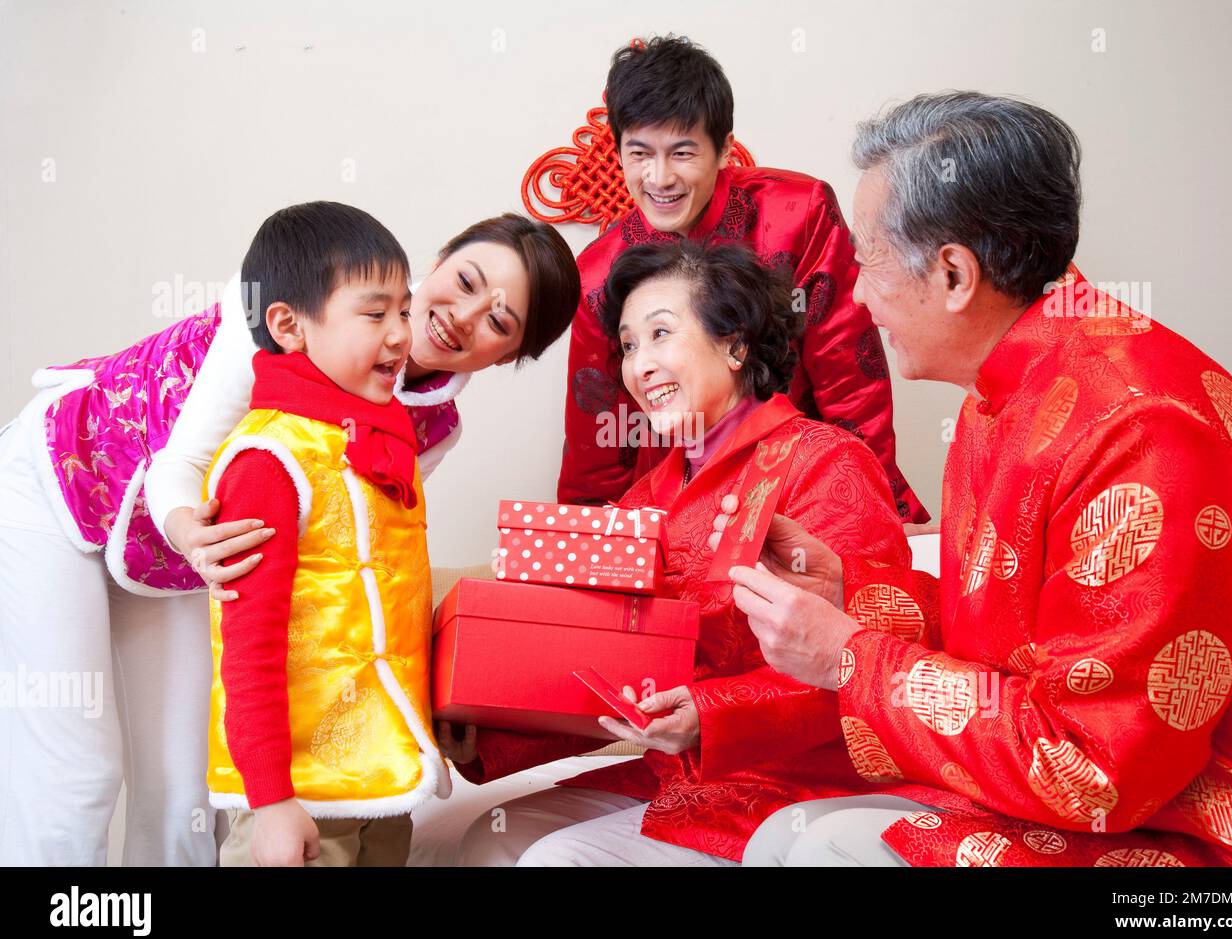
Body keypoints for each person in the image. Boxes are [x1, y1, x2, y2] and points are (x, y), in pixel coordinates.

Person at [723, 92, 1232, 866]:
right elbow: (1019, 644)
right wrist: (845, 595)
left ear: (955, 273)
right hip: (1130, 805)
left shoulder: (1139, 428)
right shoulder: (1007, 391)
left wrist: (848, 657)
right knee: (783, 834)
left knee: (830, 851)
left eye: (869, 263)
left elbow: (1095, 771)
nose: (857, 296)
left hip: (1218, 845)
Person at [0, 208, 578, 866]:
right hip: (65, 485)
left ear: (509, 356)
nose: (464, 316)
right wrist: (192, 534)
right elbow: (183, 465)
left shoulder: (430, 429)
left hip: (190, 558)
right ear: (442, 256)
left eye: (499, 323)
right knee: (75, 779)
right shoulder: (296, 305)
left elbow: (369, 568)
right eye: (467, 280)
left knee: (183, 791)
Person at [447, 241, 936, 866]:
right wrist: (482, 734)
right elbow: (600, 663)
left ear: (735, 345)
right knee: (493, 841)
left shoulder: (826, 462)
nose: (640, 365)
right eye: (628, 346)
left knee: (555, 861)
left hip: (796, 785)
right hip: (674, 774)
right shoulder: (645, 496)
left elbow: (870, 659)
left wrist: (712, 713)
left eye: (660, 335)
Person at [558, 35, 926, 523]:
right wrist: (587, 548)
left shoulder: (799, 214)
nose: (659, 177)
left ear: (724, 148)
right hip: (676, 494)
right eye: (640, 153)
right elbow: (598, 435)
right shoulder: (596, 276)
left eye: (682, 153)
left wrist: (863, 504)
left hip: (802, 481)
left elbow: (852, 379)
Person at [207, 201, 452, 866]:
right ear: (288, 325)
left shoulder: (370, 441)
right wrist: (270, 802)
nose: (402, 335)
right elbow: (248, 646)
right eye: (376, 314)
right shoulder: (271, 461)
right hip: (300, 797)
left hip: (380, 784)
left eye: (404, 310)